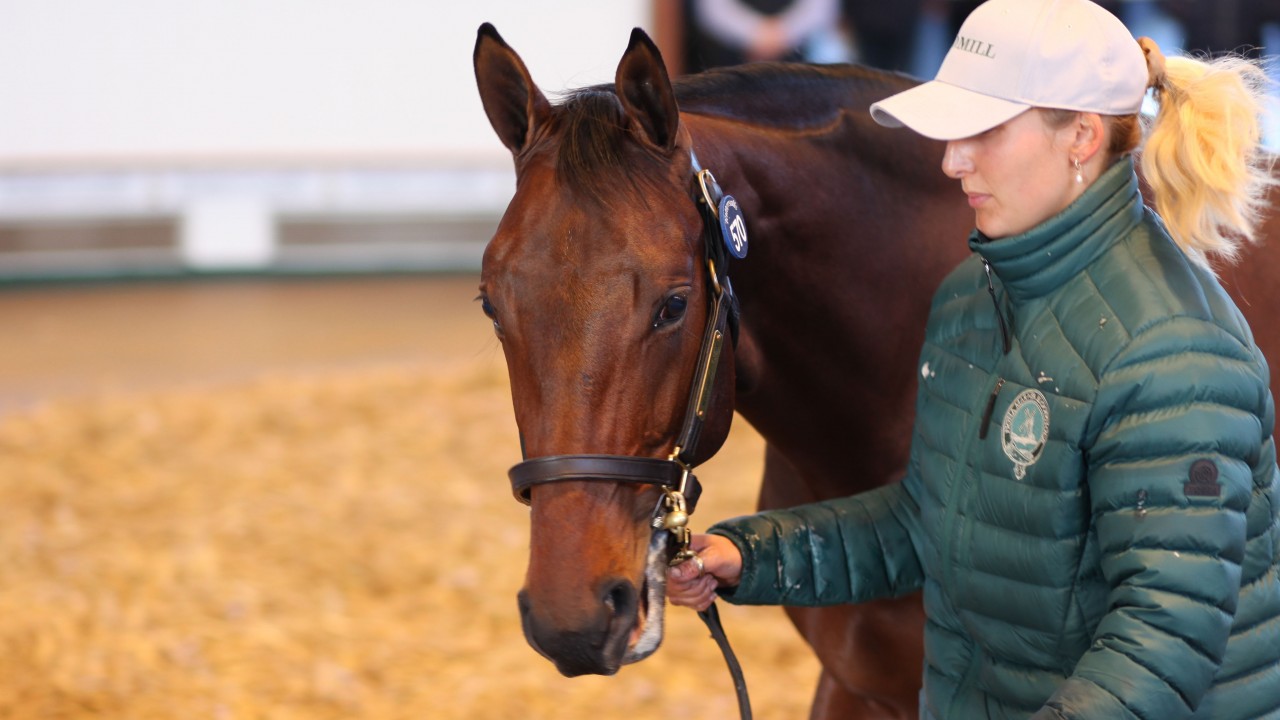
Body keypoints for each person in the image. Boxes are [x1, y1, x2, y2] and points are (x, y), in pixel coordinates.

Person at [667, 0, 1280, 717]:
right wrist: (754, 556)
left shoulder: (1174, 350)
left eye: (982, 132)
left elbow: (1162, 640)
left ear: (1080, 135)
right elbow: (930, 521)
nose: (952, 160)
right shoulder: (972, 297)